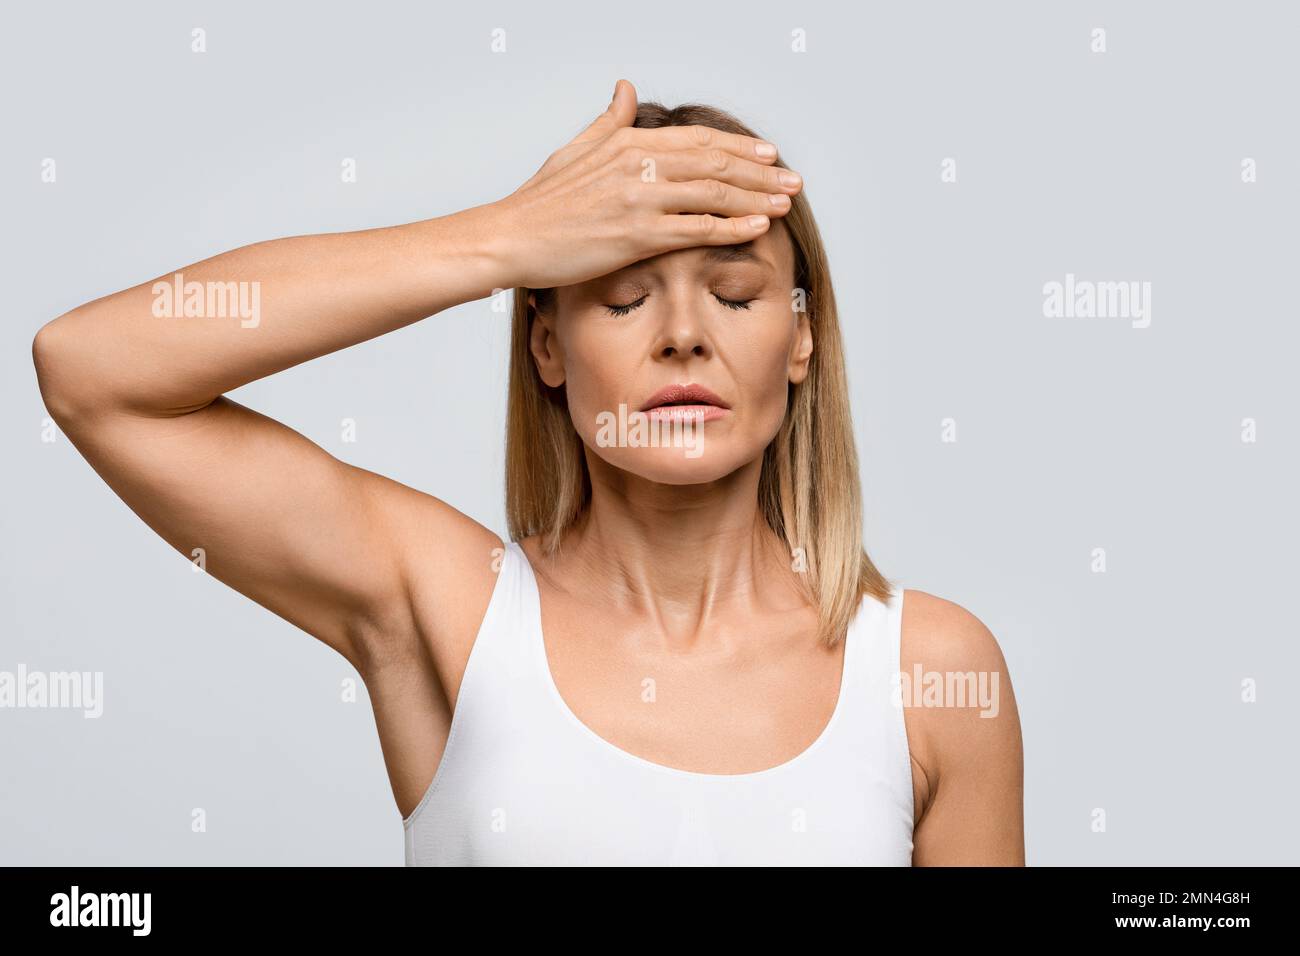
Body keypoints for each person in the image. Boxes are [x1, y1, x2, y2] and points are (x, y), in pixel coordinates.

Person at [32, 79, 1024, 865]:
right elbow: (91, 369)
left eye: (731, 294)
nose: (683, 337)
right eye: (626, 298)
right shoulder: (452, 608)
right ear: (547, 348)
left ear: (800, 339)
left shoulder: (929, 671)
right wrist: (504, 238)